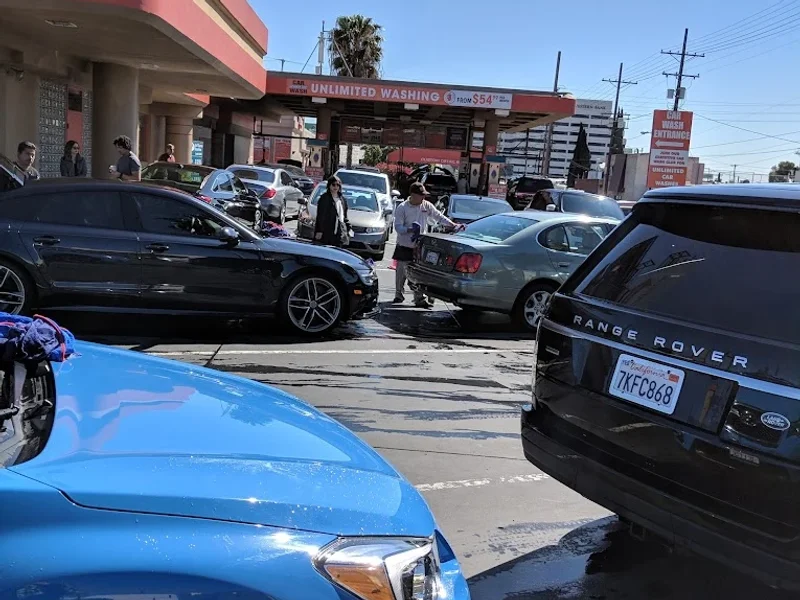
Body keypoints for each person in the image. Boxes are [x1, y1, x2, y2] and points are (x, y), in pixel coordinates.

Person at [393, 182, 463, 308]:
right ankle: (399, 294)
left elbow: (439, 217)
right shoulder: (402, 208)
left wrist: (452, 225)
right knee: (401, 271)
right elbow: (398, 227)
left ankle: (419, 298)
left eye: (424, 195)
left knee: (419, 273)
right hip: (404, 245)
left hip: (420, 246)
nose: (423, 197)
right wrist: (409, 230)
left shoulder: (426, 206)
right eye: (421, 195)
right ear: (413, 195)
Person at [314, 176, 351, 247]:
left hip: (339, 232)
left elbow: (344, 216)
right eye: (333, 184)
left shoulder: (342, 199)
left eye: (338, 185)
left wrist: (348, 228)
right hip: (327, 232)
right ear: (329, 185)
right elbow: (321, 216)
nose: (335, 187)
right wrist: (319, 230)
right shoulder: (324, 198)